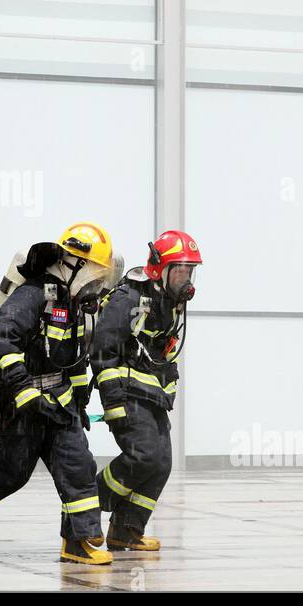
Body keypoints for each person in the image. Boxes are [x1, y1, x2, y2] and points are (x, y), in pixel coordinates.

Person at [0, 222, 115, 565]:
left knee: (78, 466)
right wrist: (22, 388)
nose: (95, 283)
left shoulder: (76, 306)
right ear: (71, 264)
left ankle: (78, 542)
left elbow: (76, 359)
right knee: (13, 473)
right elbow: (3, 339)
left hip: (58, 403)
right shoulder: (33, 293)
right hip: (21, 401)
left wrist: (78, 403)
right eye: (93, 272)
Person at [90, 229, 201, 551]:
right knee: (144, 456)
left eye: (190, 271)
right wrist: (114, 404)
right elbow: (102, 351)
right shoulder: (129, 298)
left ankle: (126, 530)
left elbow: (164, 354)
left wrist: (169, 391)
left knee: (161, 462)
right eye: (180, 270)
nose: (186, 278)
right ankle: (85, 509)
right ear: (159, 269)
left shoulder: (171, 303)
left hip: (153, 397)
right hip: (127, 395)